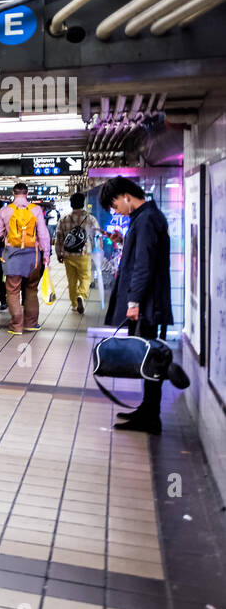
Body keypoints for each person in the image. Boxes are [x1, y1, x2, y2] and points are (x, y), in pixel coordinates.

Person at [101, 177, 173, 435]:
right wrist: (122, 241)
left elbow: (143, 265)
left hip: (146, 304)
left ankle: (151, 417)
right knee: (146, 356)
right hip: (147, 302)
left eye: (114, 204)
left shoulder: (146, 220)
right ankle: (147, 410)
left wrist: (134, 302)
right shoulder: (145, 218)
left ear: (126, 196)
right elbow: (141, 255)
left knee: (149, 357)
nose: (115, 210)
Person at [0, 182, 51, 336]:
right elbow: (44, 234)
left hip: (12, 255)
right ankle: (31, 323)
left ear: (13, 193)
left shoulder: (5, 211)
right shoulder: (36, 209)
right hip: (33, 255)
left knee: (13, 291)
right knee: (32, 289)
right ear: (27, 193)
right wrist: (46, 255)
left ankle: (16, 325)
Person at [56, 192, 101, 314]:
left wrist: (58, 253)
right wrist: (98, 251)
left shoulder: (64, 219)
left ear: (71, 204)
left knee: (72, 280)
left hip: (68, 254)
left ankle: (75, 304)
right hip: (84, 254)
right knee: (85, 277)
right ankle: (81, 295)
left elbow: (59, 238)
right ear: (83, 203)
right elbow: (97, 236)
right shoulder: (90, 218)